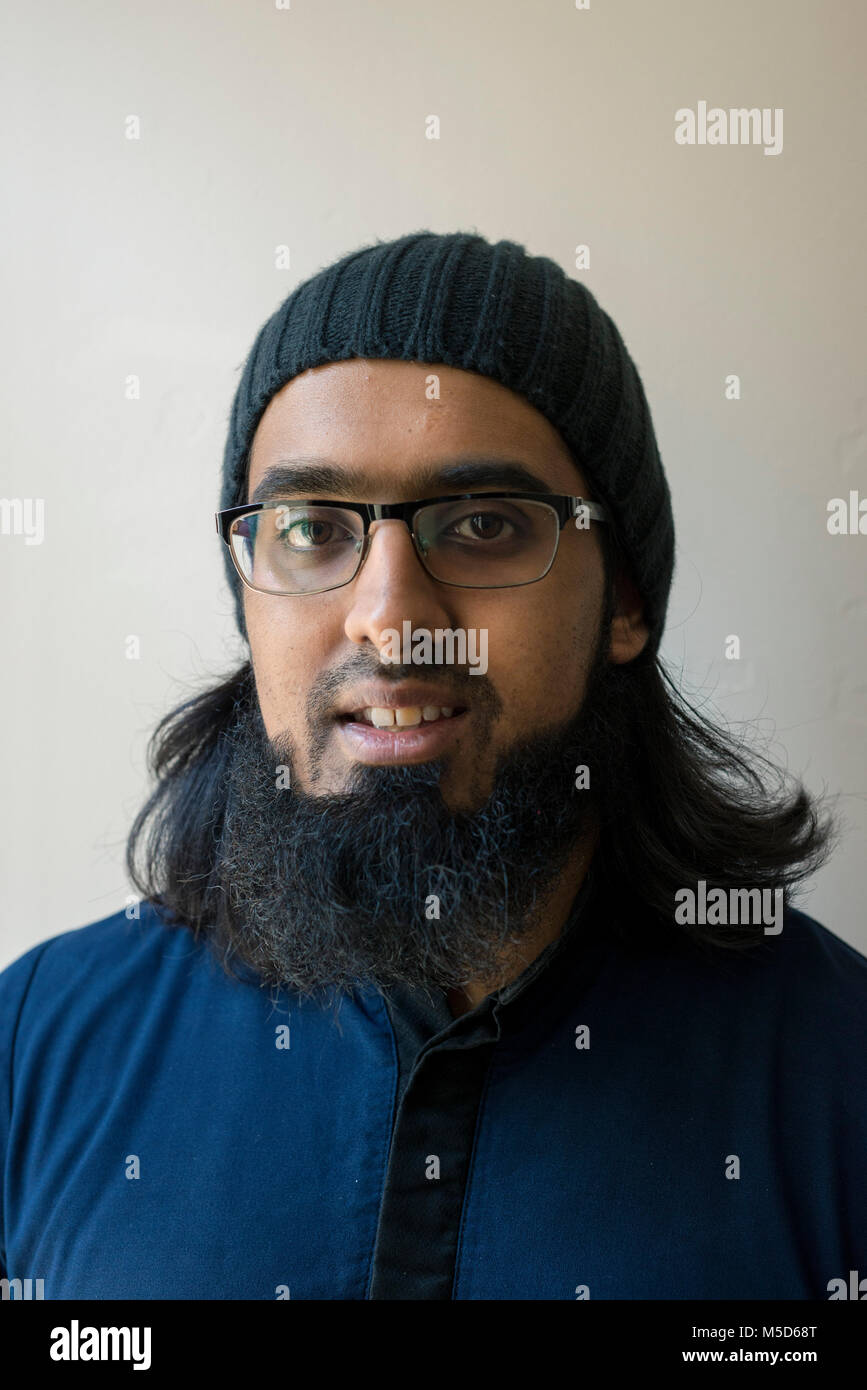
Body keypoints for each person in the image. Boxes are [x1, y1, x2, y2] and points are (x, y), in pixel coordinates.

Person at [1, 230, 864, 1301]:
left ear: (626, 601)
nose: (389, 617)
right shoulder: (39, 1039)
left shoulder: (838, 1080)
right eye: (313, 528)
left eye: (486, 524)